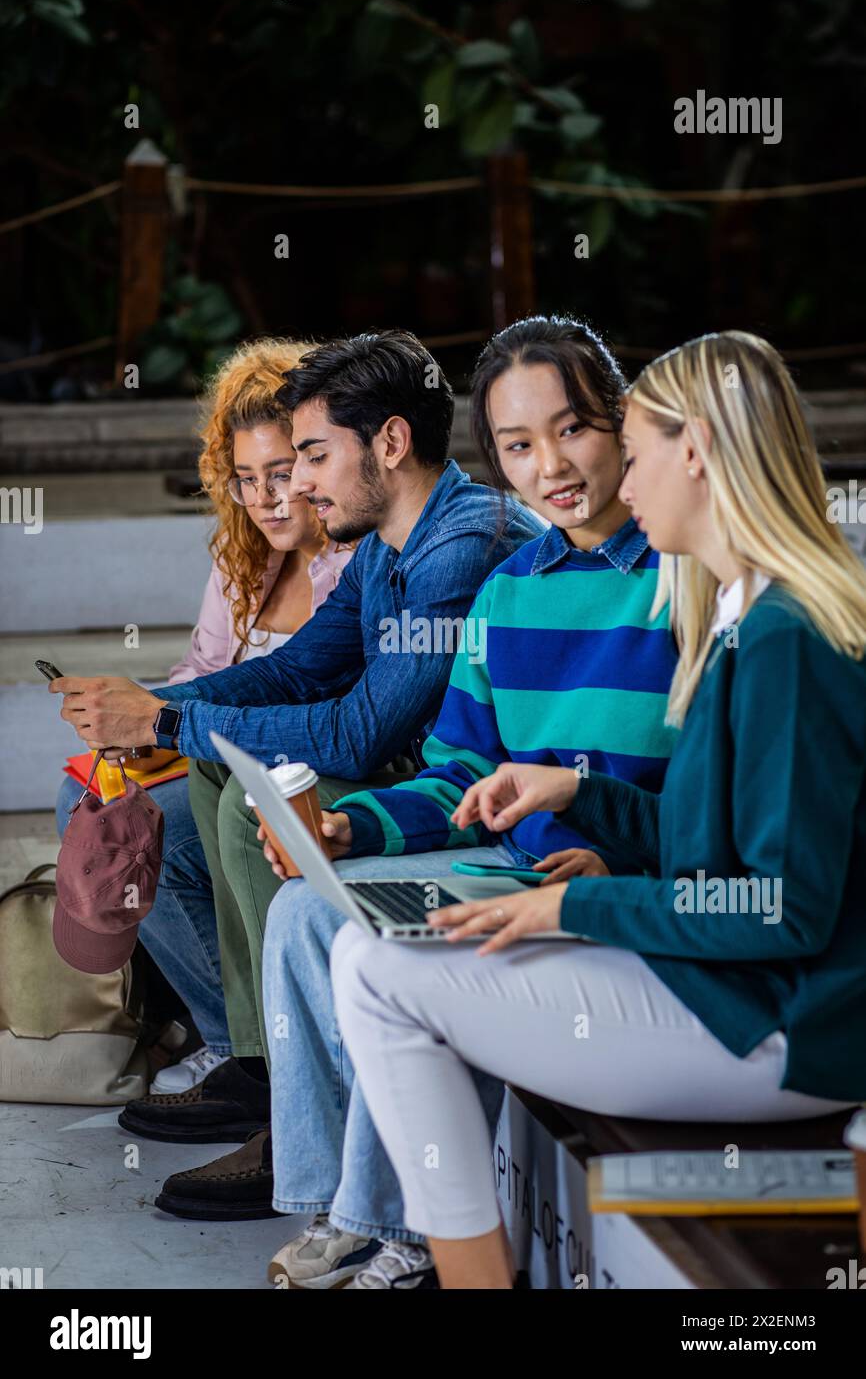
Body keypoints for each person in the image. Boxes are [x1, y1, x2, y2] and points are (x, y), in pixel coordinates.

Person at [331, 330, 866, 1289]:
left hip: (784, 1027)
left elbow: (782, 909)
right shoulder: (745, 614)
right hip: (733, 989)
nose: (624, 467)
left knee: (378, 975)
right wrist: (582, 794)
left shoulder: (784, 638)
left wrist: (569, 909)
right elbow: (713, 849)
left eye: (634, 437)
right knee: (371, 954)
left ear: (694, 451)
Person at [50, 329, 541, 1212]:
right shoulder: (394, 535)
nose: (301, 486)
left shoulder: (459, 545)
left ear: (388, 444)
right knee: (215, 770)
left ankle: (298, 1112)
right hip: (418, 778)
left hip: (473, 805)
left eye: (313, 455)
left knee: (249, 797)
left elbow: (358, 732)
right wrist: (148, 708)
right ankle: (262, 1069)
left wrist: (166, 719)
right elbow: (297, 666)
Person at [259, 316, 678, 1288]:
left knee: (389, 947)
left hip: (612, 878)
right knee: (303, 909)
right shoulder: (508, 589)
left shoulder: (686, 579)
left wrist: (608, 845)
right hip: (506, 856)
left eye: (570, 430)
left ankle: (402, 1230)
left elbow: (707, 800)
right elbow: (456, 769)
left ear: (621, 424)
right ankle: (338, 1208)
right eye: (518, 446)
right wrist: (346, 826)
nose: (550, 467)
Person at [55, 337, 351, 1093]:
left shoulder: (354, 562)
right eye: (247, 478)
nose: (266, 499)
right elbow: (199, 676)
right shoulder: (242, 555)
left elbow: (328, 707)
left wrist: (162, 725)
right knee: (88, 796)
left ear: (323, 460)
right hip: (214, 750)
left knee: (156, 824)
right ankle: (211, 1018)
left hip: (306, 764)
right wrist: (128, 733)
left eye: (283, 474)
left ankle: (245, 1049)